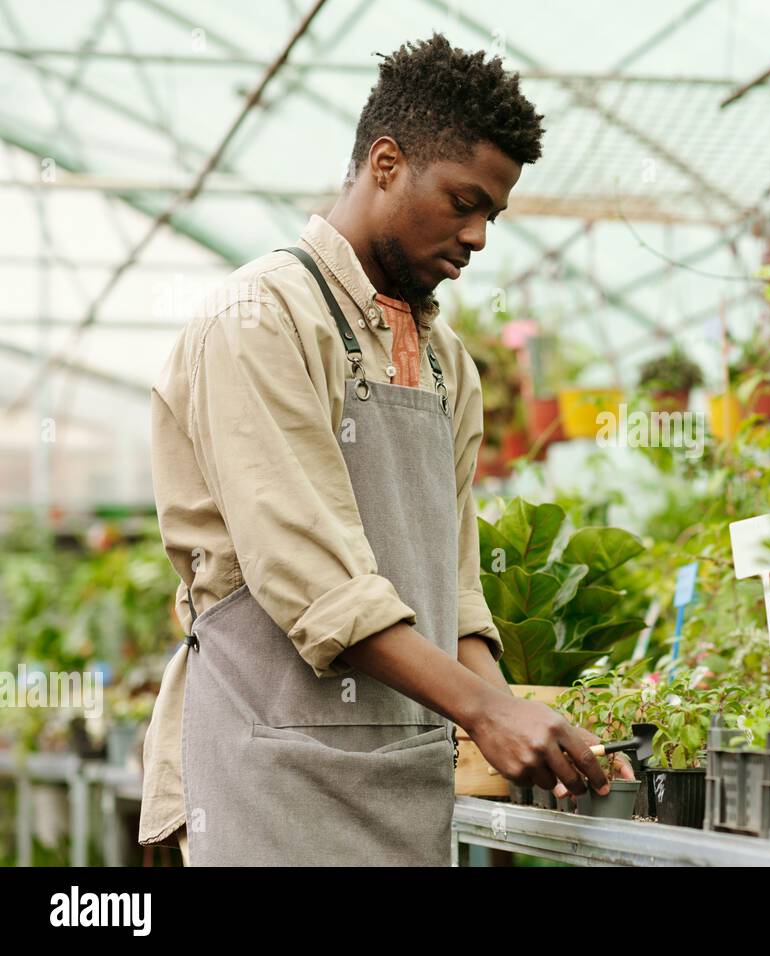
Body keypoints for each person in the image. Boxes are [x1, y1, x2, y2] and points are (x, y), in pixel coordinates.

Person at [141, 34, 628, 866]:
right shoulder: (263, 321)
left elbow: (457, 594)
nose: (478, 237)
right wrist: (485, 712)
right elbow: (315, 586)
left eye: (493, 216)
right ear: (387, 161)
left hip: (403, 773)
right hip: (269, 771)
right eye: (463, 201)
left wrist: (517, 724)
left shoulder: (449, 367)